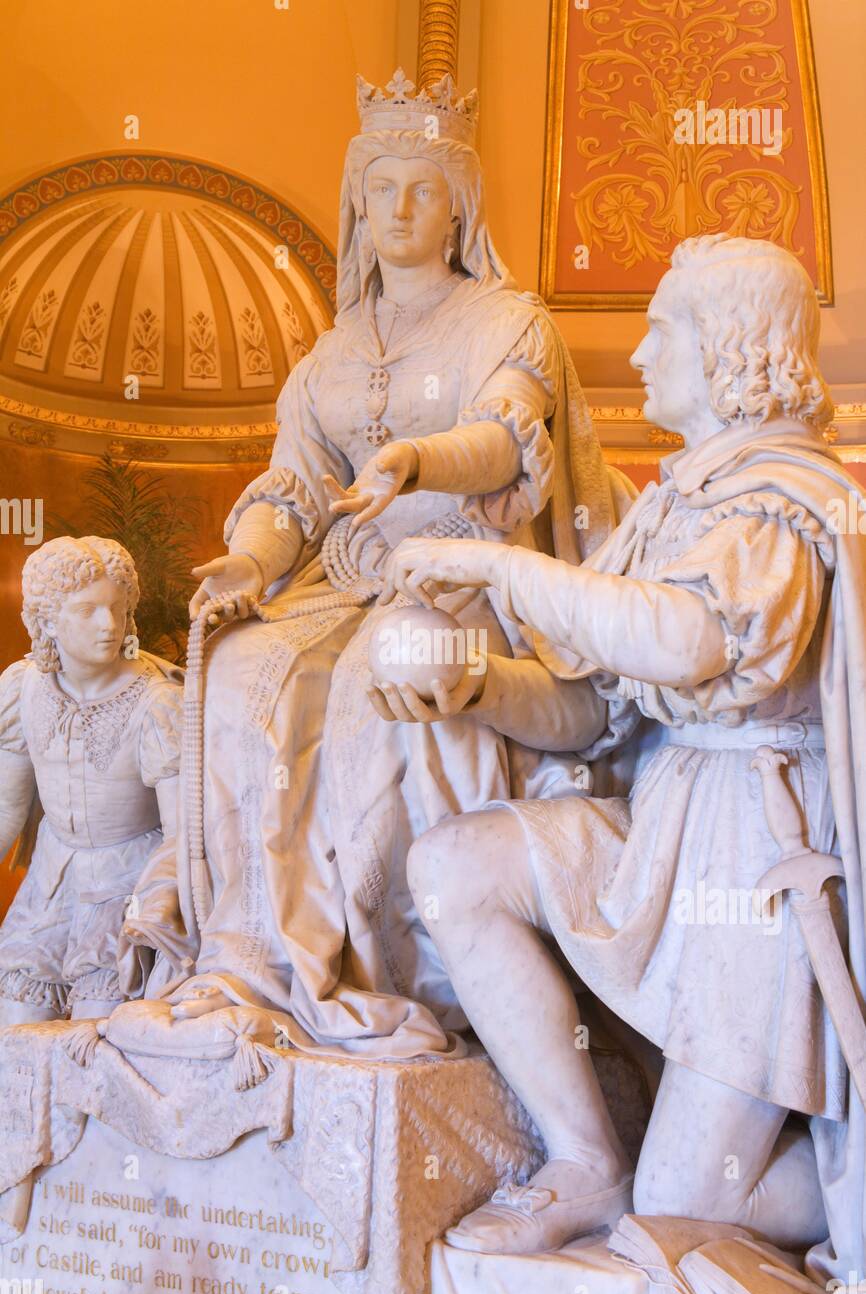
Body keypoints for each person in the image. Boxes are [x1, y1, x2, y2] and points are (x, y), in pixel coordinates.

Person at [385, 234, 866, 1286]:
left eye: (660, 329)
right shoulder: (672, 504)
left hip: (751, 864)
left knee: (689, 1203)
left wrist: (495, 566)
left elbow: (684, 641)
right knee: (455, 865)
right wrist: (471, 687)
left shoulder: (786, 503)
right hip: (662, 828)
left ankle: (828, 1184)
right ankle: (583, 1159)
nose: (637, 354)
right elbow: (588, 711)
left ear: (728, 346)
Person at [150, 70, 633, 1058]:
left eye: (421, 188)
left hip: (468, 568)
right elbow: (292, 487)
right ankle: (247, 959)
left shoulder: (506, 317)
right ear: (356, 205)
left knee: (386, 669)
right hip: (343, 574)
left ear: (458, 205)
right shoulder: (328, 353)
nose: (399, 208)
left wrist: (416, 460)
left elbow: (504, 439)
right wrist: (249, 561)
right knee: (240, 668)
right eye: (381, 188)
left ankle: (375, 965)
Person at [0, 537, 186, 1025]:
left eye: (117, 609)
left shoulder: (158, 703)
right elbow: (6, 810)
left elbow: (183, 835)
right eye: (87, 611)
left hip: (128, 885)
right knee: (17, 1024)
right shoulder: (23, 689)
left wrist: (158, 908)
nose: (109, 625)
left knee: (95, 1037)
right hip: (50, 881)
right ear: (46, 621)